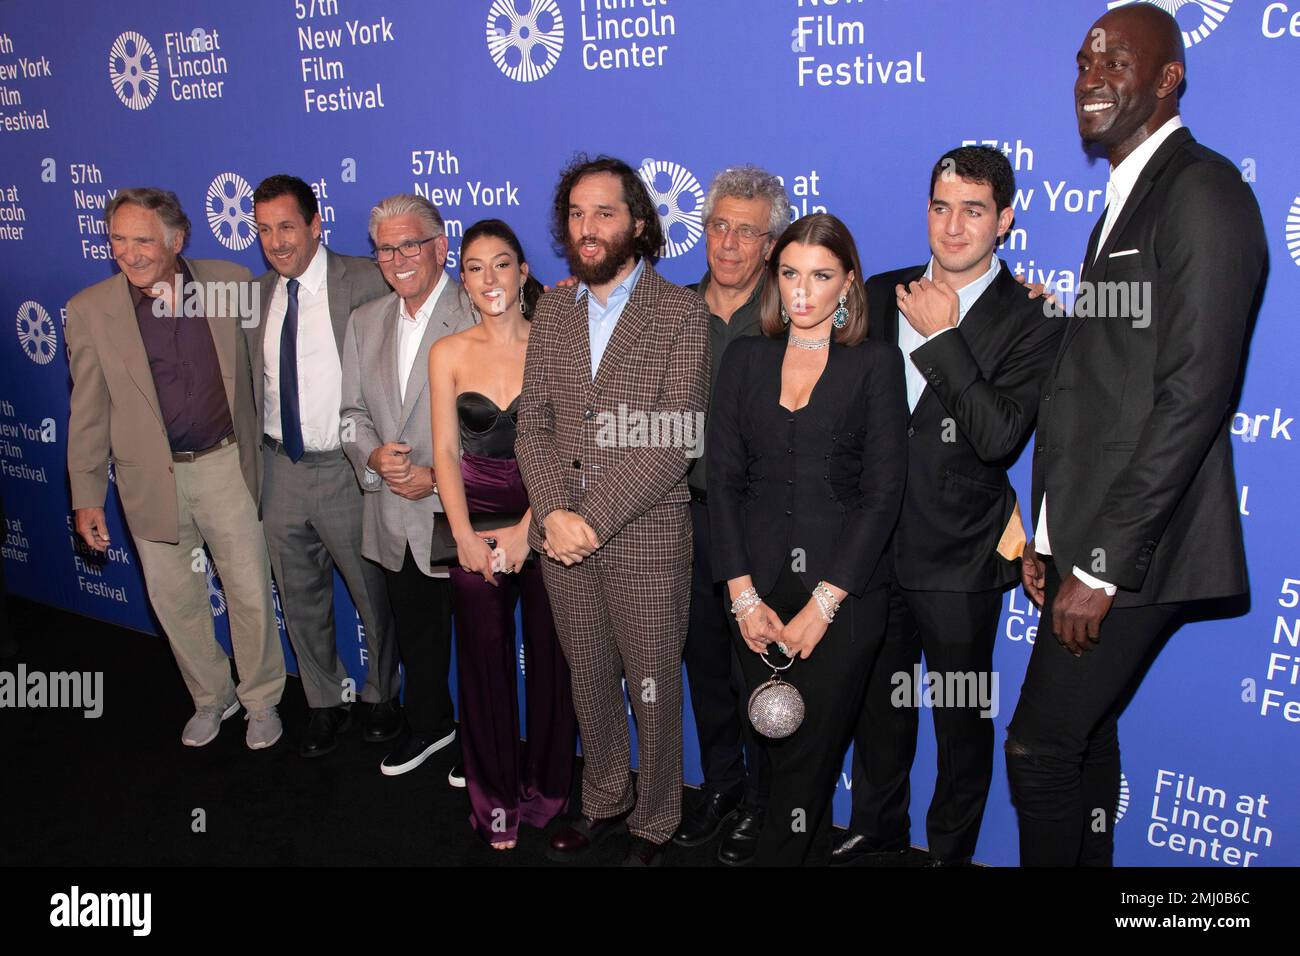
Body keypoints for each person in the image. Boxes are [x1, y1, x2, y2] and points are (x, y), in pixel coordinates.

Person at [1008, 4, 1267, 866]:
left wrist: (1103, 562)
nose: (1092, 77)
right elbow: (1107, 390)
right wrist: (1052, 535)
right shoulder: (1124, 201)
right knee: (1083, 739)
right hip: (1091, 536)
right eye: (1084, 61)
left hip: (1137, 550)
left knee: (1040, 750)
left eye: (1116, 61)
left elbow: (1194, 394)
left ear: (1167, 80)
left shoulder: (1203, 191)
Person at [834, 147, 1063, 867]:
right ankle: (875, 827)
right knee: (879, 704)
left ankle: (949, 853)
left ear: (1005, 220)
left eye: (973, 210)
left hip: (961, 555)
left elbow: (998, 436)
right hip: (872, 549)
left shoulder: (1035, 316)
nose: (954, 226)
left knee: (960, 723)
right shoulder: (881, 291)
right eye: (941, 207)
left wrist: (942, 337)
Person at [515, 155, 710, 866]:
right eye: (575, 214)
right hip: (561, 537)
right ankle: (603, 798)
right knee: (588, 676)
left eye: (603, 212)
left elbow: (675, 438)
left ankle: (655, 818)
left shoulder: (680, 312)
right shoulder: (553, 310)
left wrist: (589, 520)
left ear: (638, 223)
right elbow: (532, 425)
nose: (587, 228)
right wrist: (553, 514)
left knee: (651, 689)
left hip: (645, 536)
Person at [708, 212, 907, 866]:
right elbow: (724, 483)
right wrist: (741, 597)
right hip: (754, 594)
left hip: (843, 599)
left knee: (807, 764)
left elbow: (883, 495)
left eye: (821, 276)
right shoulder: (745, 359)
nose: (802, 290)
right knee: (773, 752)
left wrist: (824, 605)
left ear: (847, 284)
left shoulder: (874, 364)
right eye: (790, 273)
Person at [66, 188, 285, 749]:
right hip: (146, 478)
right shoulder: (90, 310)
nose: (128, 252)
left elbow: (272, 368)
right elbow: (87, 410)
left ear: (177, 240)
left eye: (142, 240)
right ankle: (211, 698)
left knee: (248, 589)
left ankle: (262, 699)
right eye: (118, 239)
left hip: (225, 464)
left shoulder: (231, 283)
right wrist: (86, 495)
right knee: (175, 599)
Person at [427, 219, 578, 850]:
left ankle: (547, 792)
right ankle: (494, 805)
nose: (489, 278)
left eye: (501, 264)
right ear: (463, 279)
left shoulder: (556, 343)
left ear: (523, 272)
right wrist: (464, 534)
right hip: (474, 519)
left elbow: (570, 446)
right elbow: (443, 450)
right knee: (483, 666)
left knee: (552, 661)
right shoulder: (448, 352)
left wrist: (528, 529)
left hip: (547, 518)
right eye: (474, 267)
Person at [249, 174, 401, 758]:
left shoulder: (365, 278)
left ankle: (382, 694)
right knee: (298, 596)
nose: (277, 241)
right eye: (264, 230)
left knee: (371, 592)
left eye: (287, 226)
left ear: (316, 224)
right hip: (280, 466)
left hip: (346, 467)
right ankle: (323, 700)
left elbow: (435, 304)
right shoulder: (257, 294)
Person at [673, 166, 789, 865]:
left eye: (746, 232)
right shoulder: (670, 310)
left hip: (762, 526)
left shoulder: (792, 315)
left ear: (770, 244)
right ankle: (721, 786)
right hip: (685, 519)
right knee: (705, 666)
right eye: (718, 225)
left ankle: (764, 803)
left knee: (761, 671)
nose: (728, 243)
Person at [340, 194, 477, 777]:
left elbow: (504, 424)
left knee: (480, 640)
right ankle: (430, 726)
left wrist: (440, 479)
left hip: (464, 515)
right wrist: (372, 455)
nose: (397, 259)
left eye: (410, 245)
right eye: (385, 249)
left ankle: (483, 743)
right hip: (394, 510)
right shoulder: (364, 321)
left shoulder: (477, 311)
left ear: (441, 247)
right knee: (417, 632)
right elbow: (349, 413)